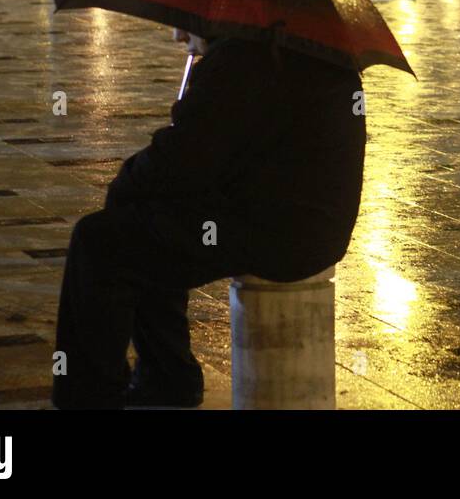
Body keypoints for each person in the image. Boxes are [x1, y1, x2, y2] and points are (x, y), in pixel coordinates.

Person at [51, 29, 367, 409]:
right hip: (308, 222)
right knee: (147, 226)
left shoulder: (243, 60)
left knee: (99, 243)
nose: (177, 35)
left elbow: (182, 161)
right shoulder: (292, 46)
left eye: (186, 21)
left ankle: (91, 397)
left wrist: (126, 180)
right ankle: (167, 377)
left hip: (281, 232)